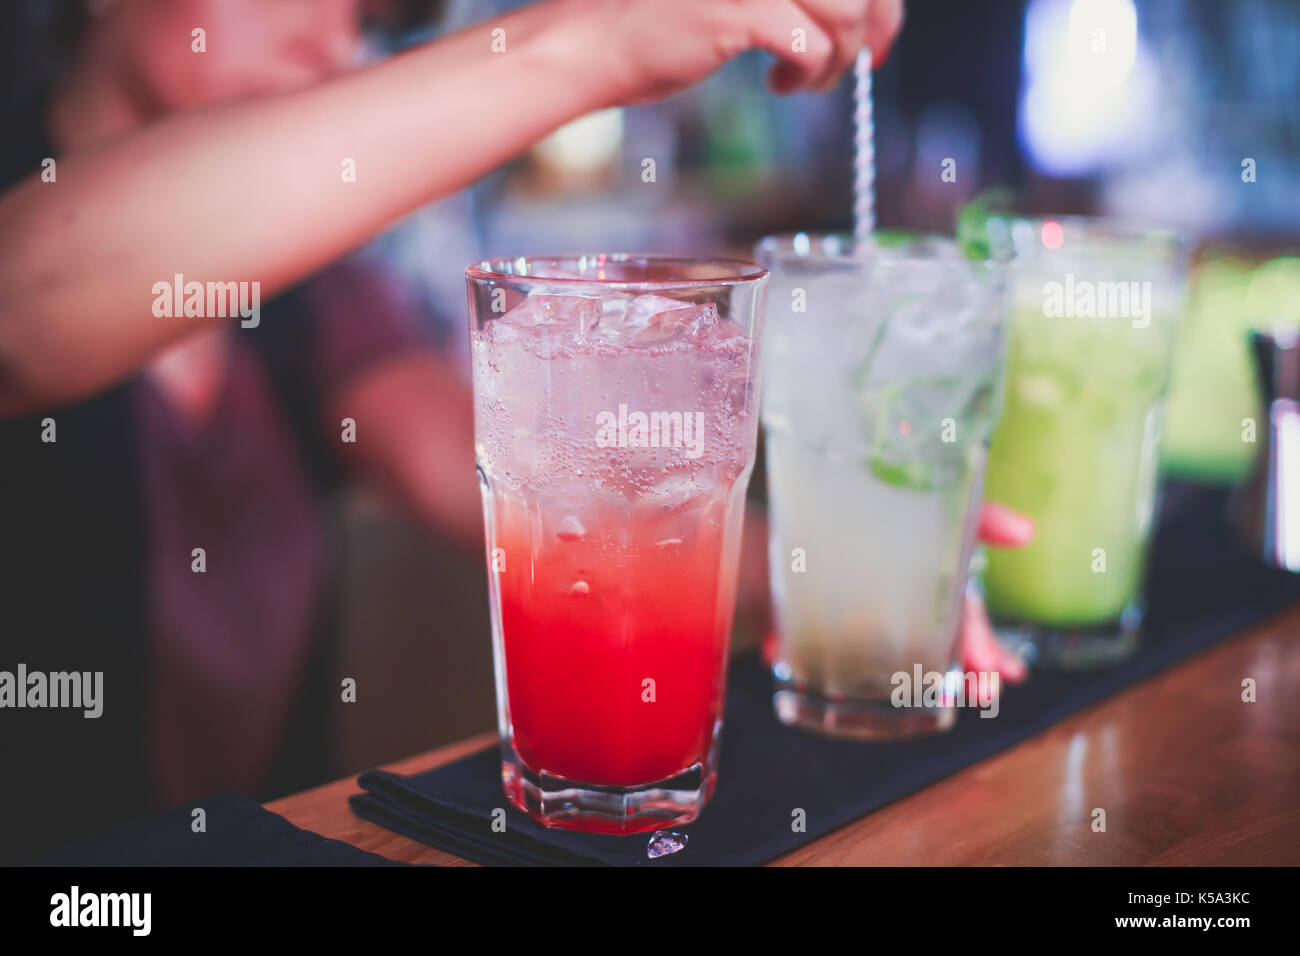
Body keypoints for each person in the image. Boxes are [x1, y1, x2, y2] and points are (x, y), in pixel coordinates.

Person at [0, 0, 1020, 862]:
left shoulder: (308, 293)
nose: (337, 42)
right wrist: (591, 43)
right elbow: (25, 307)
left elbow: (481, 451)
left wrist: (836, 576)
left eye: (368, 17)